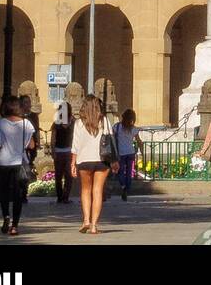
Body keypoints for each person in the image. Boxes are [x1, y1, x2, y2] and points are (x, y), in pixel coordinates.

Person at [70, 95, 119, 235]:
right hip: (102, 160)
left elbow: (75, 145)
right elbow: (111, 141)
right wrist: (115, 161)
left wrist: (73, 162)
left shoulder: (79, 123)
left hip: (84, 160)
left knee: (85, 190)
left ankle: (86, 220)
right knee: (98, 191)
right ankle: (94, 226)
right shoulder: (104, 121)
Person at [0, 96, 35, 236]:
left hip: (4, 162)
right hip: (19, 162)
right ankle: (15, 226)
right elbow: (32, 145)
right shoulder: (26, 124)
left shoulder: (1, 123)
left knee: (3, 193)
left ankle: (6, 216)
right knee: (18, 195)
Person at [114, 109, 143, 200]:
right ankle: (127, 188)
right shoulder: (134, 129)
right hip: (130, 152)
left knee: (120, 171)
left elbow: (113, 138)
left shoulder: (117, 127)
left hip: (120, 153)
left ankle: (123, 186)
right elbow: (139, 141)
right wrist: (141, 150)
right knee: (129, 171)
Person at [49, 102, 74, 205]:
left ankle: (62, 196)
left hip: (65, 151)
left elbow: (52, 139)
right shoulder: (66, 122)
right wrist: (53, 150)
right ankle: (63, 197)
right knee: (66, 176)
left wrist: (53, 150)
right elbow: (53, 139)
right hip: (65, 151)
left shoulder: (58, 123)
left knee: (61, 176)